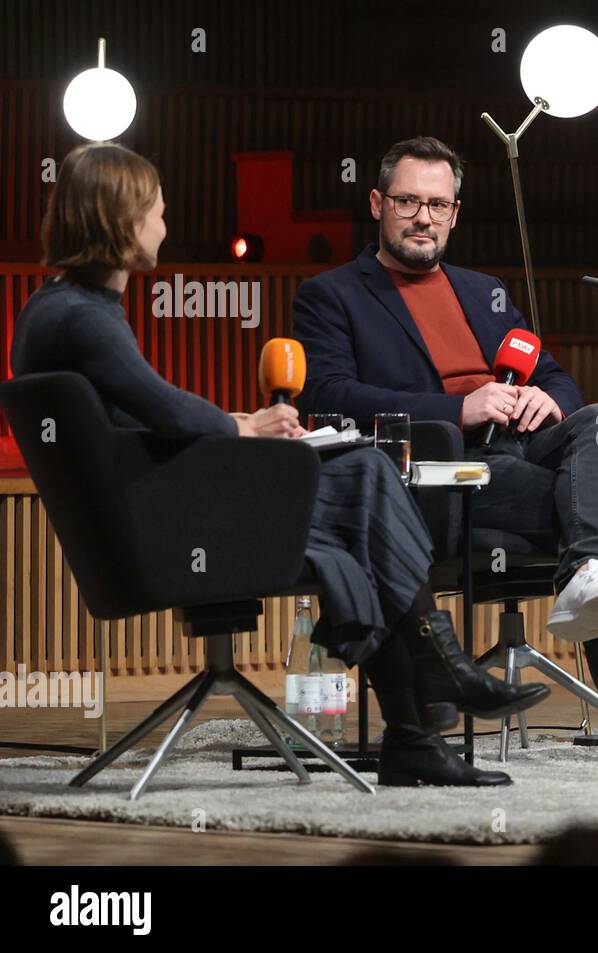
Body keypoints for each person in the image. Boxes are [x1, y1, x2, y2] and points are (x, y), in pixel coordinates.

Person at [10, 142, 550, 787]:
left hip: (150, 509)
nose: (164, 224)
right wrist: (248, 426)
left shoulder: (58, 308)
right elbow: (170, 414)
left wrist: (240, 425)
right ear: (120, 219)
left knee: (364, 501)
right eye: (156, 211)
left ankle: (419, 721)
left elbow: (150, 414)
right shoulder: (83, 318)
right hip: (167, 528)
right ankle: (436, 680)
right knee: (368, 477)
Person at [292, 135, 598, 768]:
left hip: (522, 448)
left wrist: (551, 401)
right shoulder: (334, 294)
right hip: (443, 472)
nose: (423, 216)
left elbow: (556, 374)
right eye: (408, 201)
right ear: (378, 204)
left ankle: (585, 575)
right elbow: (325, 397)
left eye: (438, 204)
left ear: (456, 213)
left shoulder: (482, 289)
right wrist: (457, 409)